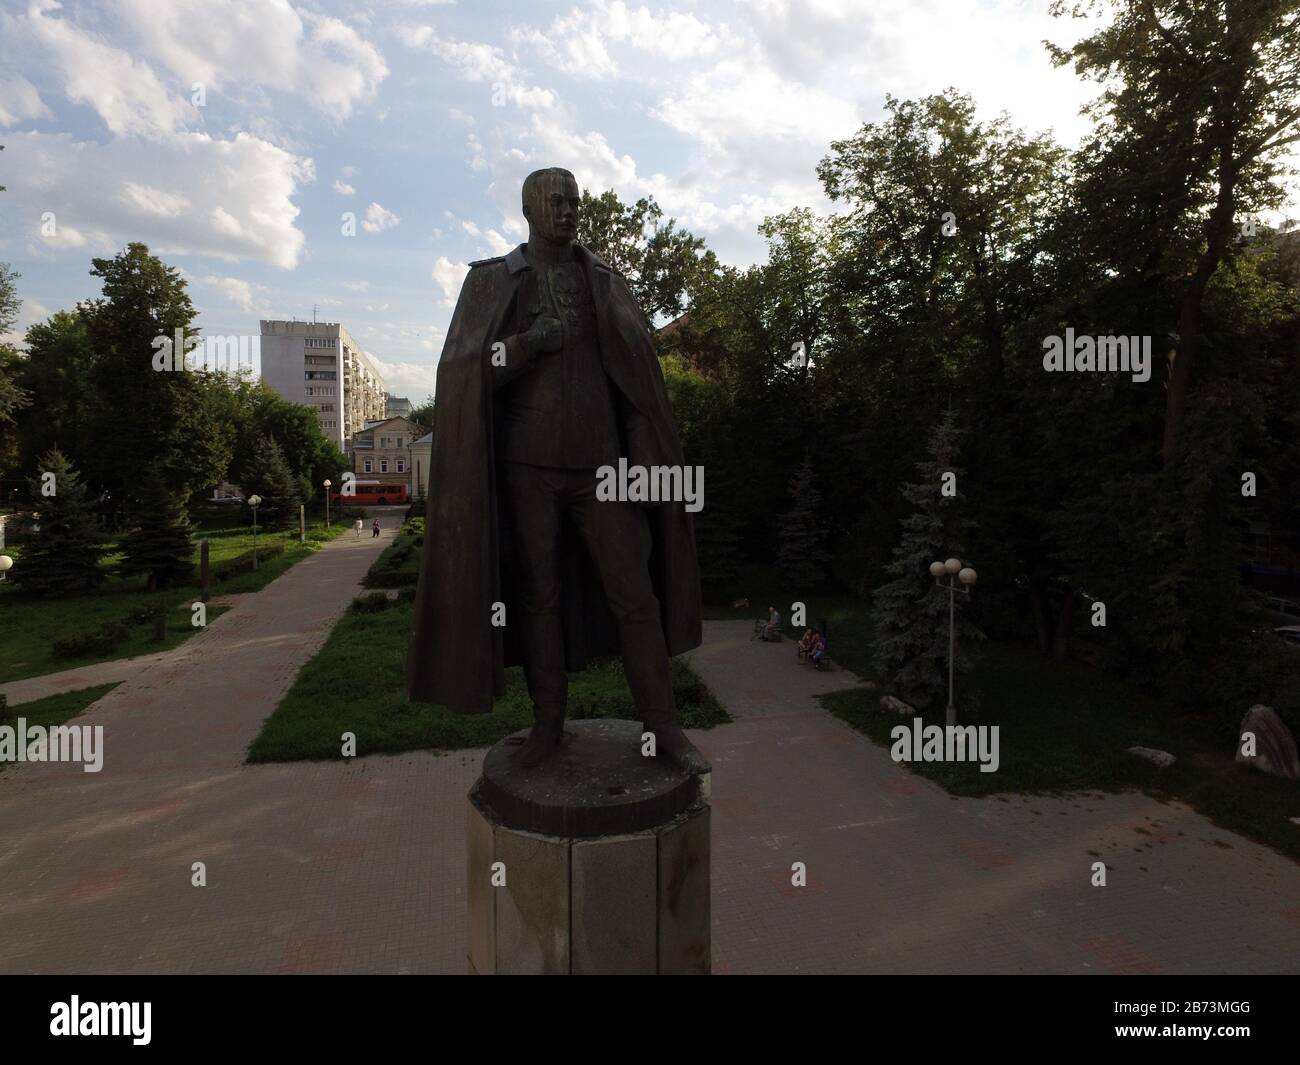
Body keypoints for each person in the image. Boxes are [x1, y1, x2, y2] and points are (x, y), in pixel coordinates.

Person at [405, 166, 705, 773]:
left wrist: (645, 449)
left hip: (604, 469)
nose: (568, 211)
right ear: (529, 209)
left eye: (575, 201)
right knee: (538, 598)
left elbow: (637, 375)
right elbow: (464, 373)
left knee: (636, 595)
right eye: (556, 201)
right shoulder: (494, 281)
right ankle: (548, 726)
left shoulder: (603, 281)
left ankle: (664, 728)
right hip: (527, 467)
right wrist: (527, 343)